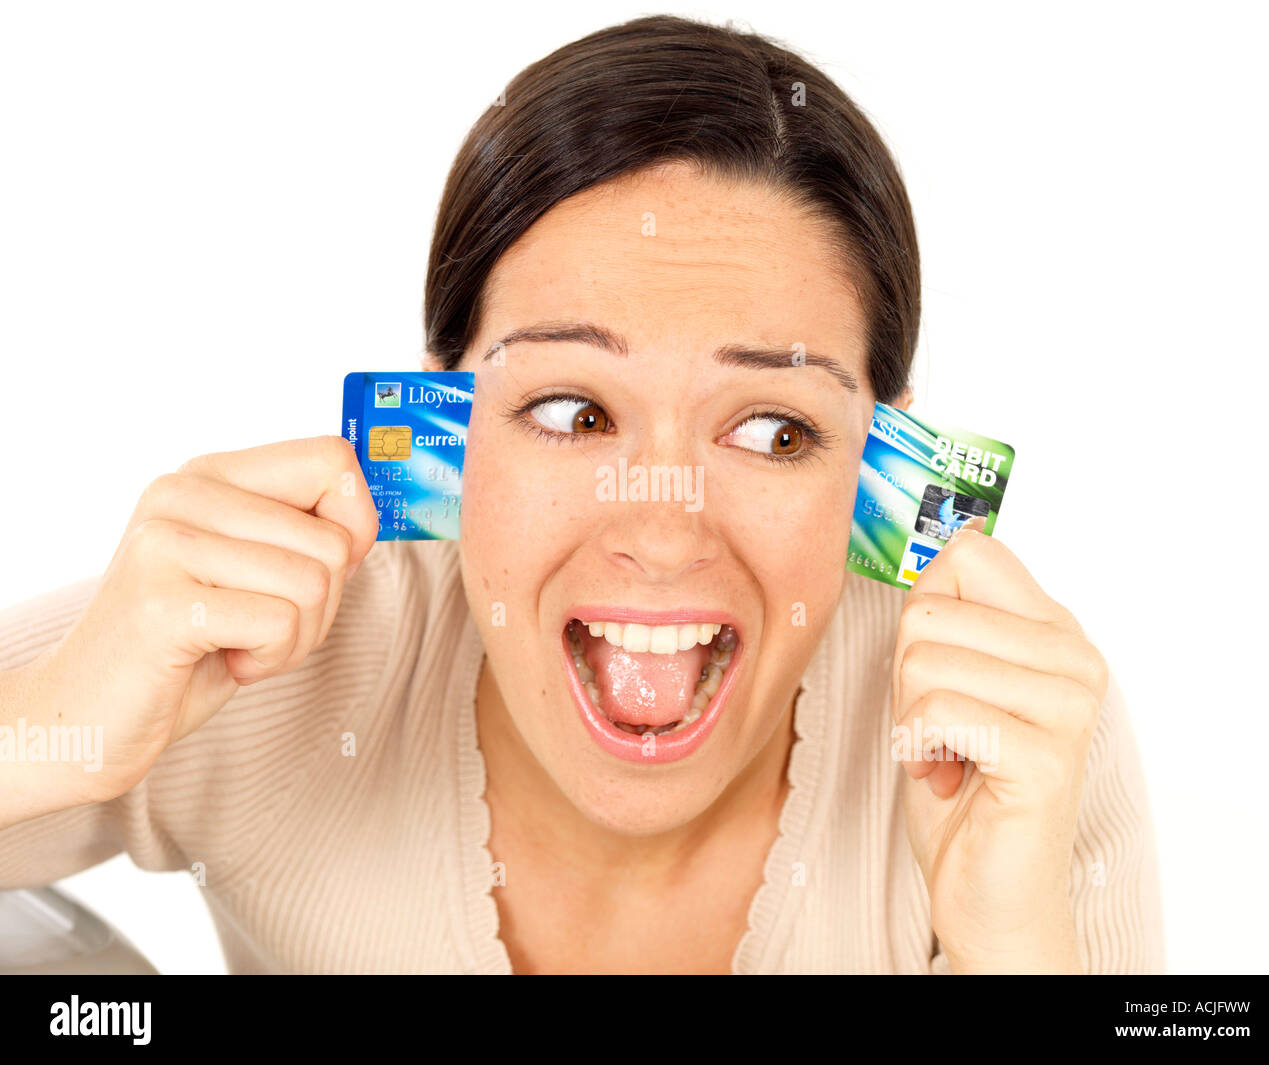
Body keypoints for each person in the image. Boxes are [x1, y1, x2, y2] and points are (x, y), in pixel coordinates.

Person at [0, 14, 1162, 974]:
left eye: (773, 430)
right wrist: (61, 740)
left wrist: (1013, 946)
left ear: (884, 460)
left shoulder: (1000, 729)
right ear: (445, 421)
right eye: (571, 413)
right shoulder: (282, 654)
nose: (661, 534)